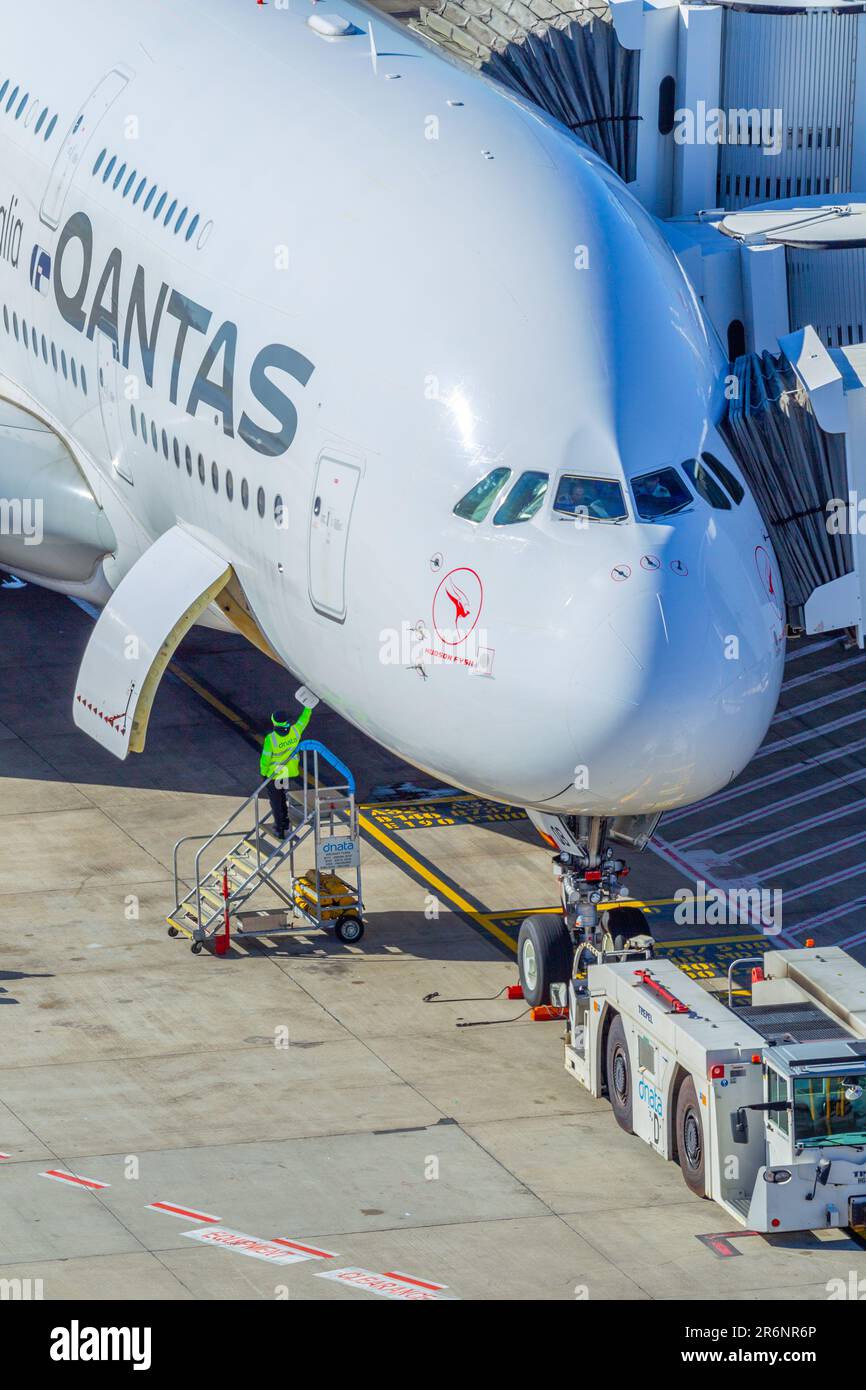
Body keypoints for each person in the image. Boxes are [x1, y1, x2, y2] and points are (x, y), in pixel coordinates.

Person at [259, 687, 319, 839]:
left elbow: (265, 758)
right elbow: (304, 720)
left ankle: (280, 828)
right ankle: (285, 821)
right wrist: (308, 707)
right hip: (289, 772)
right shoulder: (295, 731)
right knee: (282, 796)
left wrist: (264, 773)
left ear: (274, 721)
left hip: (275, 774)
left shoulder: (271, 738)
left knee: (276, 801)